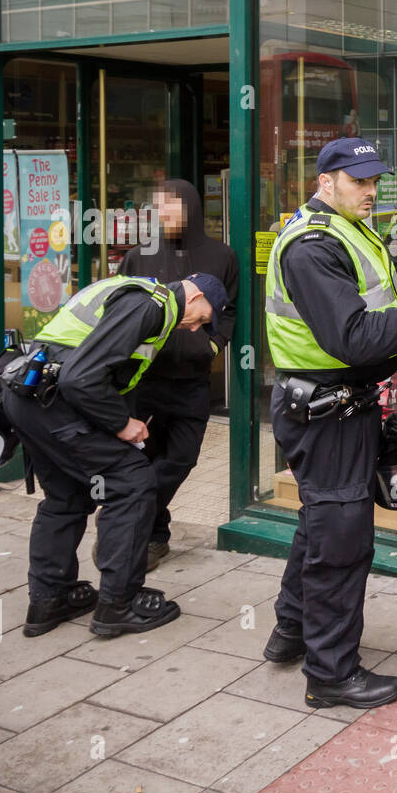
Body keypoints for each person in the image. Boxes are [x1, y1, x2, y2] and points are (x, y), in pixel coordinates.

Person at [262, 137, 397, 709]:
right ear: (325, 180)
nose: (370, 190)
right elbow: (354, 336)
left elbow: (384, 292)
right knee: (341, 539)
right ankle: (331, 674)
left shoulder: (347, 231)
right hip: (325, 410)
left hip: (338, 405)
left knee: (319, 523)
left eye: (374, 179)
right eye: (358, 180)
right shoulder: (312, 246)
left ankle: (291, 634)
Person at [3, 272, 226, 639]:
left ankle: (49, 599)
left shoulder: (137, 294)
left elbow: (96, 369)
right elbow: (80, 377)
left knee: (66, 497)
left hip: (31, 396)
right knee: (134, 483)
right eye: (202, 318)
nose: (194, 329)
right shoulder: (151, 305)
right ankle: (118, 604)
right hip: (54, 400)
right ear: (197, 294)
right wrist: (122, 424)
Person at [113, 179, 239, 571]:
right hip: (145, 383)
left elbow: (231, 311)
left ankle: (128, 520)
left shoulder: (222, 256)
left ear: (192, 209)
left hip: (192, 383)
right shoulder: (138, 257)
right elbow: (120, 309)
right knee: (145, 458)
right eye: (158, 208)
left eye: (171, 207)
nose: (163, 215)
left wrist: (213, 345)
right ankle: (151, 538)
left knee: (181, 459)